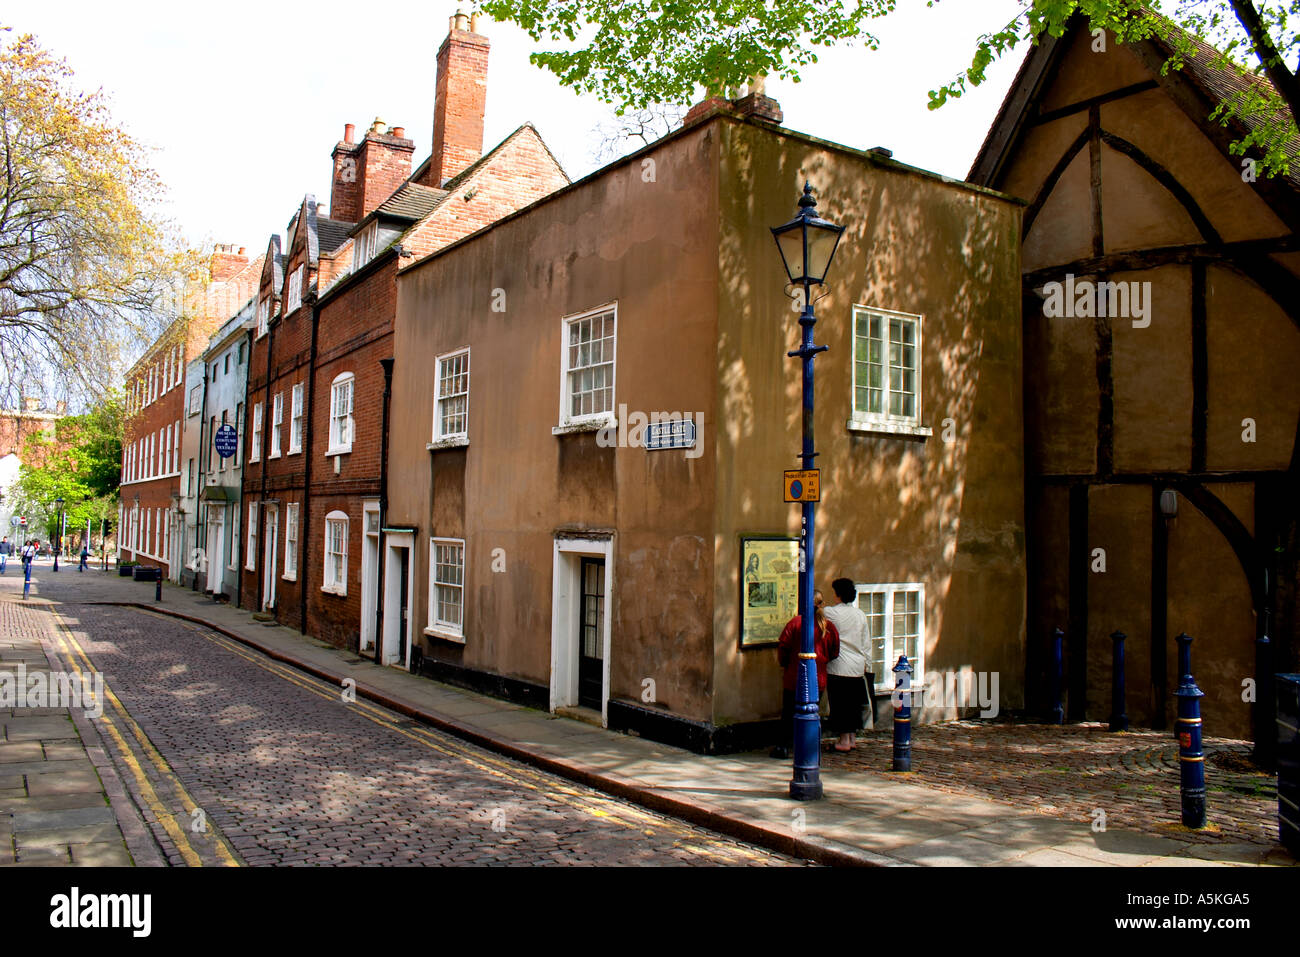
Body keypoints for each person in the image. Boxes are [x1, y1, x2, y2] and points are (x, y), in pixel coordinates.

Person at [771, 590, 840, 759]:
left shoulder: (796, 623)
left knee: (788, 714)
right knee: (813, 713)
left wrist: (785, 664)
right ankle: (810, 747)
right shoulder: (827, 626)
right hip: (818, 677)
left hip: (794, 677)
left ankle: (784, 746)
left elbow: (784, 649)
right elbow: (834, 651)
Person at [824, 577, 871, 751]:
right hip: (857, 666)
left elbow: (817, 611)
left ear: (837, 594)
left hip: (840, 665)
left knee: (840, 704)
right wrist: (868, 664)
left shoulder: (832, 612)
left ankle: (843, 740)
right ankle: (851, 738)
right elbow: (866, 642)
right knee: (853, 705)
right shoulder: (860, 614)